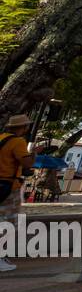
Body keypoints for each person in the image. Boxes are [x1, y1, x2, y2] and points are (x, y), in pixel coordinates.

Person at [0, 115, 36, 272]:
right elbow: (27, 162)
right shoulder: (18, 142)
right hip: (8, 186)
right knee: (9, 223)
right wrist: (34, 153)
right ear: (24, 128)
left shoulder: (1, 138)